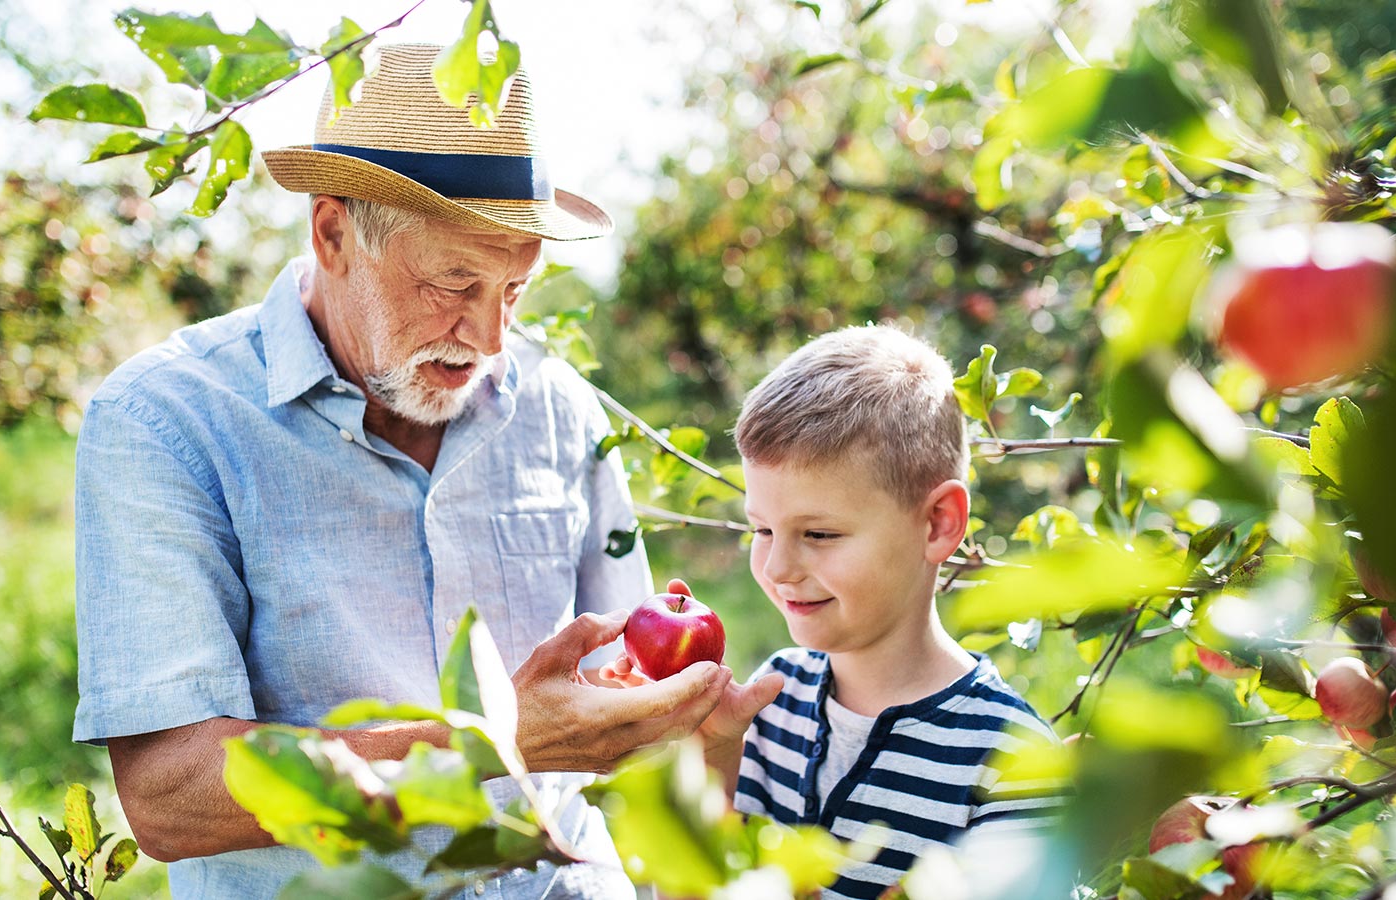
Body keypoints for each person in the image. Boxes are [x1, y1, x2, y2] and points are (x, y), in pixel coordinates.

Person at [72, 43, 736, 899]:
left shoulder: (560, 408)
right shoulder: (168, 424)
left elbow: (637, 708)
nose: (491, 338)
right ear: (333, 232)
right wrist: (490, 740)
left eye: (515, 291)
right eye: (454, 283)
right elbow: (171, 798)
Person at [686, 325, 1063, 897]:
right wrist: (711, 758)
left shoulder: (1013, 765)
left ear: (938, 524)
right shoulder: (773, 698)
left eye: (819, 533)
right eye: (761, 528)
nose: (778, 567)